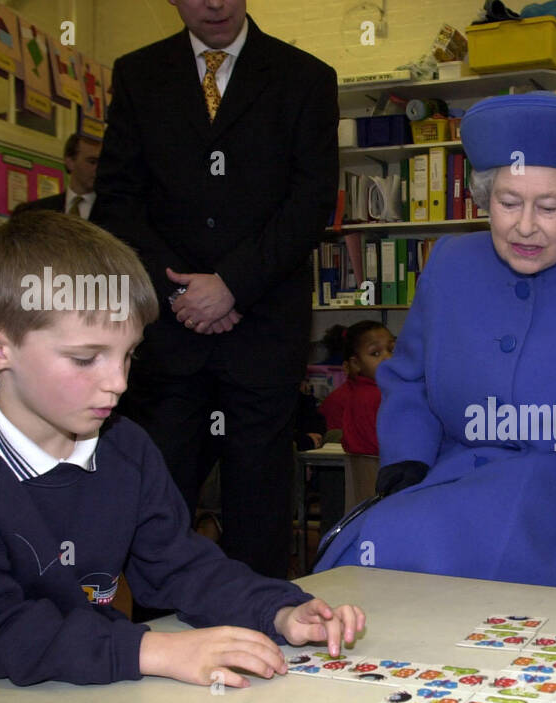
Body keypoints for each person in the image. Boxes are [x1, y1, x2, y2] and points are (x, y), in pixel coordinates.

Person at [0, 212, 364, 687]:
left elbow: (181, 565)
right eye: (86, 359)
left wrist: (277, 609)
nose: (118, 383)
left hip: (68, 691)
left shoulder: (124, 446)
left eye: (128, 355)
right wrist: (151, 650)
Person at [315, 93, 556, 588]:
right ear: (483, 198)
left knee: (442, 556)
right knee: (368, 551)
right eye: (508, 202)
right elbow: (407, 380)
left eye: (549, 207)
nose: (525, 226)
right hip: (453, 485)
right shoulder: (451, 265)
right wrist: (407, 458)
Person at [93, 0, 338, 580]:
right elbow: (117, 203)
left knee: (260, 502)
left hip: (263, 330)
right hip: (169, 335)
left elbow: (310, 205)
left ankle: (260, 632)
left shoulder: (305, 77)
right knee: (162, 499)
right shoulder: (139, 74)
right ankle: (158, 648)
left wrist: (232, 286)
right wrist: (179, 294)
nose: (214, 4)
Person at [11, 133, 101, 219]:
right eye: (92, 162)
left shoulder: (112, 212)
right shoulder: (33, 212)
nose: (99, 169)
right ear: (70, 162)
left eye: (103, 163)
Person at [337, 320, 393, 457]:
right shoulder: (377, 396)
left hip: (364, 476)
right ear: (355, 364)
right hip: (388, 473)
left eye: (392, 349)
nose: (388, 357)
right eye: (375, 353)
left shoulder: (356, 394)